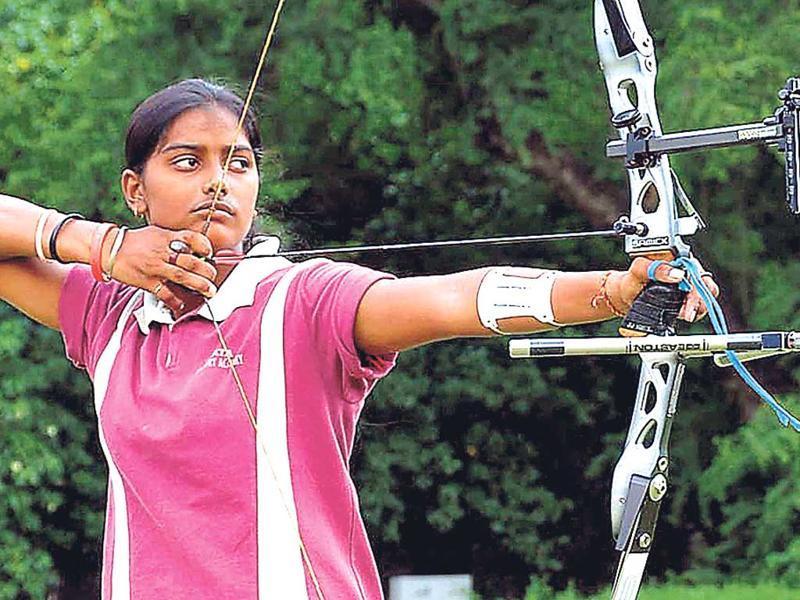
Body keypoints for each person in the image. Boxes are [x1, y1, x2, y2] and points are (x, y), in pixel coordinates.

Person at [0, 79, 716, 599]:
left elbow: (453, 300)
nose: (219, 181)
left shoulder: (304, 302)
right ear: (136, 190)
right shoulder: (108, 314)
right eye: (188, 161)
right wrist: (97, 245)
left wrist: (611, 290)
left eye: (238, 162)